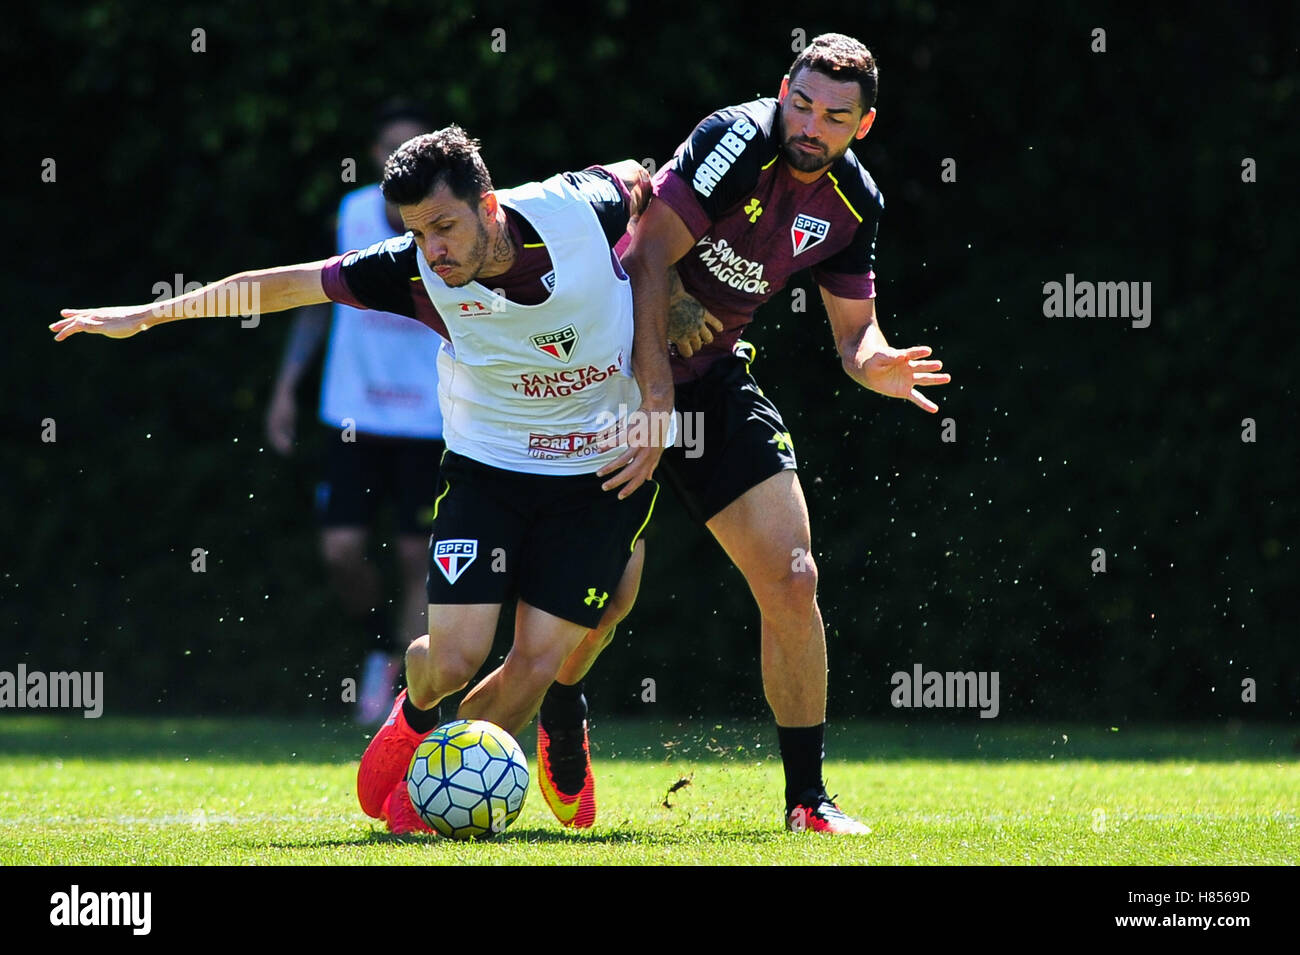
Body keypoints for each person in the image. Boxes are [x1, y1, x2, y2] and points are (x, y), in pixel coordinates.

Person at [52, 125, 671, 835]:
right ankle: (414, 711)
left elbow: (660, 198)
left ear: (489, 206)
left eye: (445, 226)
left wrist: (667, 362)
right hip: (489, 465)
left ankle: (440, 789)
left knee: (535, 663)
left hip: (598, 467)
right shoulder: (408, 268)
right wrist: (150, 314)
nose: (433, 250)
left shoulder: (577, 207)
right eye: (418, 231)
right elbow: (284, 285)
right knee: (453, 659)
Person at [540, 32, 951, 834]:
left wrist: (878, 363)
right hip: (614, 371)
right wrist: (654, 391)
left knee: (794, 578)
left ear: (862, 127)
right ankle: (561, 704)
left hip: (714, 379)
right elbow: (648, 256)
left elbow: (853, 336)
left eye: (834, 116)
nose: (810, 124)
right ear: (782, 91)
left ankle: (807, 800)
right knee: (603, 602)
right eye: (801, 103)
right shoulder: (735, 139)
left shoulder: (856, 202)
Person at [266, 103, 445, 725]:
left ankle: (407, 687)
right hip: (352, 415)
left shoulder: (454, 223)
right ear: (376, 158)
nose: (404, 161)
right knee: (342, 549)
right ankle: (378, 650)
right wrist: (286, 386)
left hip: (432, 420)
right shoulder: (349, 216)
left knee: (417, 555)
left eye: (415, 148)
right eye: (393, 150)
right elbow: (312, 299)